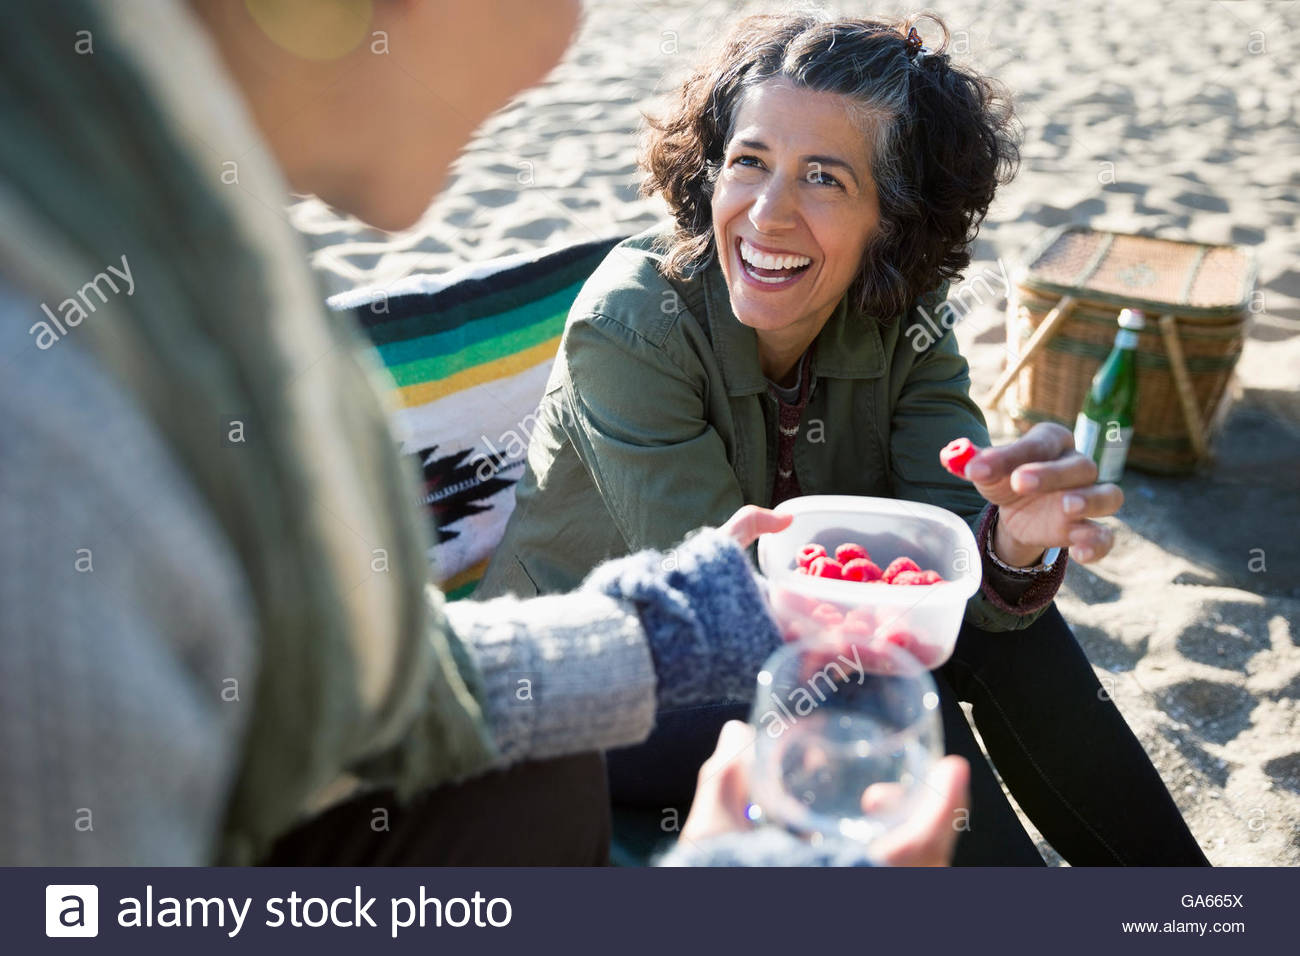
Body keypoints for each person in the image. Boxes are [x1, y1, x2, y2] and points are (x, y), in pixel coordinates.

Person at [0, 0, 963, 868]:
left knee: (524, 769)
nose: (556, 49)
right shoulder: (53, 427)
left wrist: (663, 633)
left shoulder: (167, 241)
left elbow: (381, 704)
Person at [479, 12, 1210, 866]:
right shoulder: (633, 325)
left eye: (823, 178)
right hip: (599, 689)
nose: (768, 213)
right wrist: (908, 619)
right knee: (891, 687)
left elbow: (951, 560)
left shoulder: (909, 324)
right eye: (748, 161)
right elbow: (720, 600)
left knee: (1014, 635)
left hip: (788, 646)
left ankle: (1196, 909)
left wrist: (1007, 547)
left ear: (892, 221)